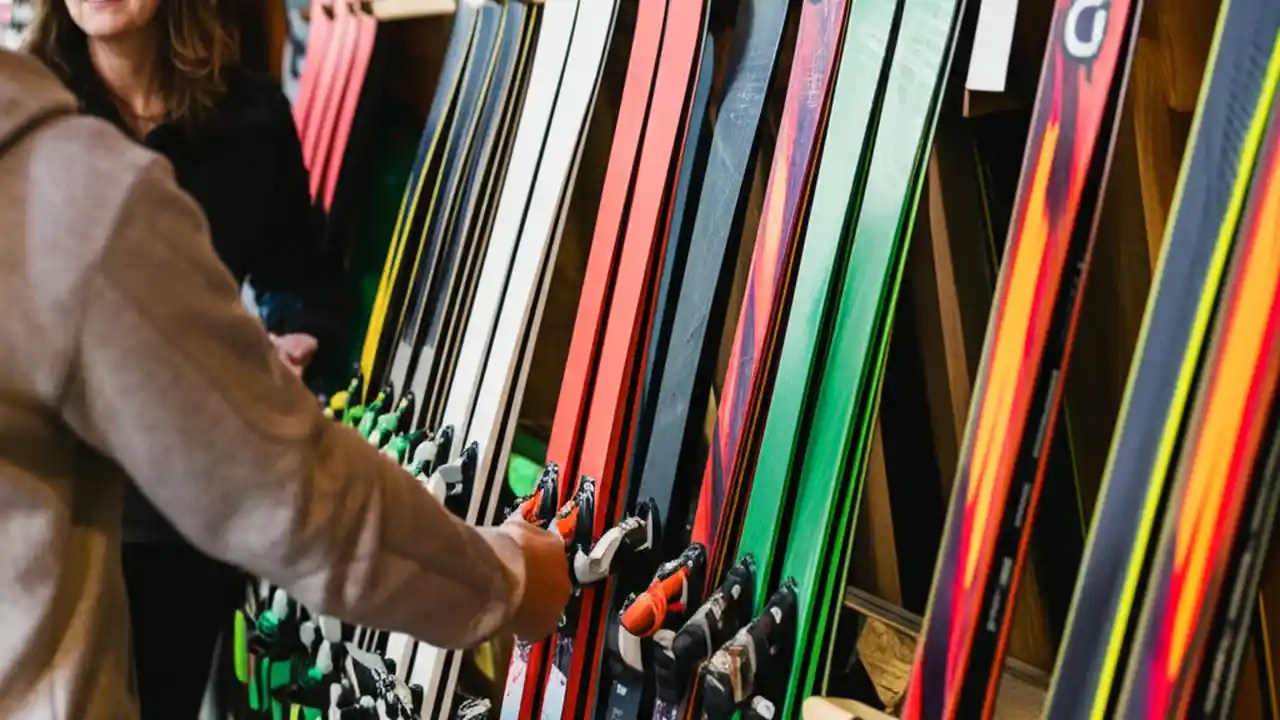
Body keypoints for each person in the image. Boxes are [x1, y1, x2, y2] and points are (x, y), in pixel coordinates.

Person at [0, 46, 571, 720]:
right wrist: (513, 581)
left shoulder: (234, 118)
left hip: (169, 541)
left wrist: (291, 332)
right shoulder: (60, 195)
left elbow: (294, 272)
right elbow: (287, 495)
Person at [24, 0, 341, 714]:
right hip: (50, 511)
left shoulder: (251, 115)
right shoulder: (29, 116)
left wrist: (290, 334)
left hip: (185, 509)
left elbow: (298, 273)